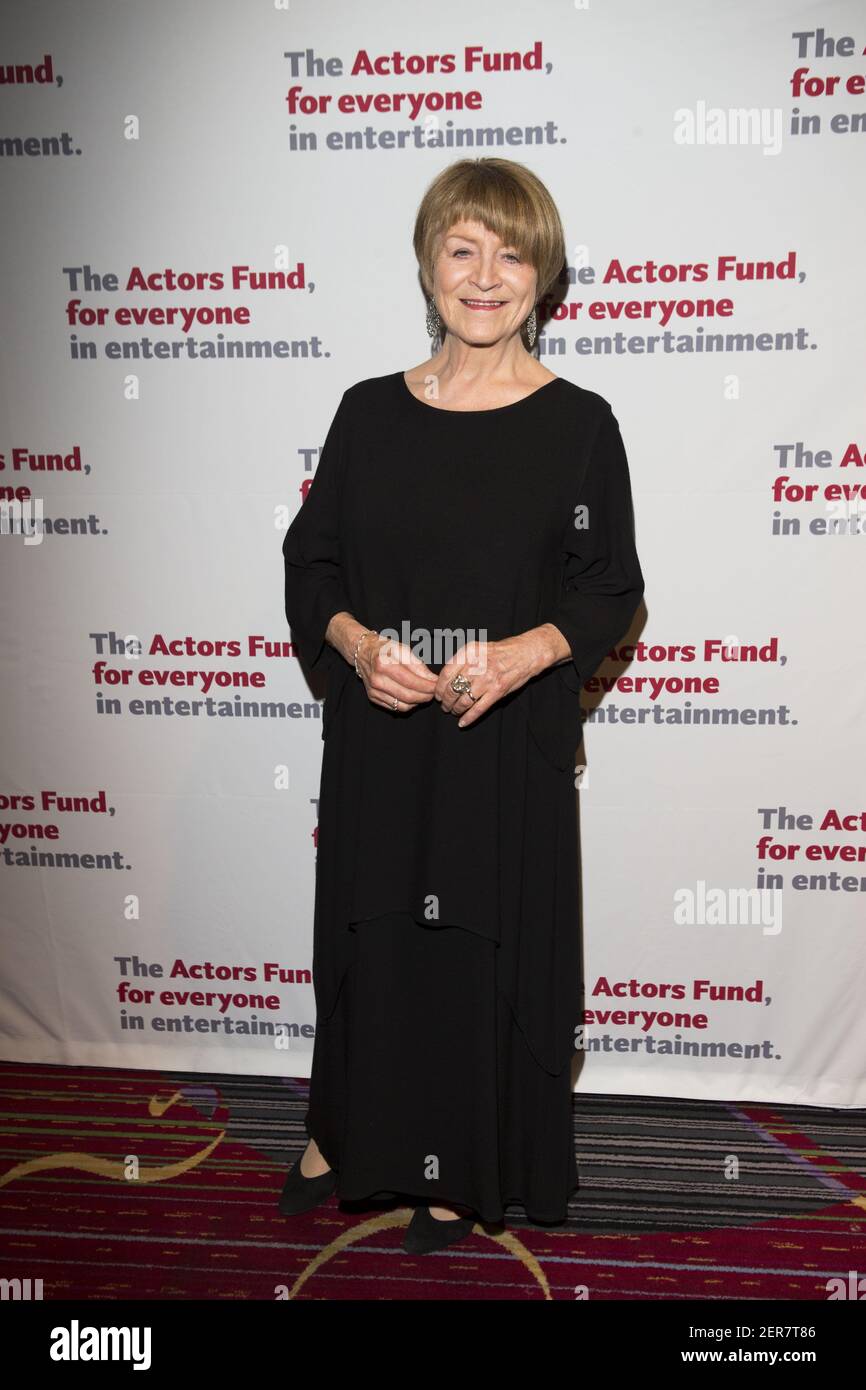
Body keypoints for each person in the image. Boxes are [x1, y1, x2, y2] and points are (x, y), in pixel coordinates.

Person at [279, 157, 645, 1255]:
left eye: (512, 253)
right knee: (373, 935)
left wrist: (526, 653)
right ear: (428, 262)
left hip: (498, 749)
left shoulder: (577, 424)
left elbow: (609, 590)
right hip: (383, 736)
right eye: (461, 249)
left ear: (543, 277)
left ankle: (456, 1161)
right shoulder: (366, 413)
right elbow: (314, 566)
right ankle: (345, 1130)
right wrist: (350, 645)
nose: (484, 276)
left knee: (470, 949)